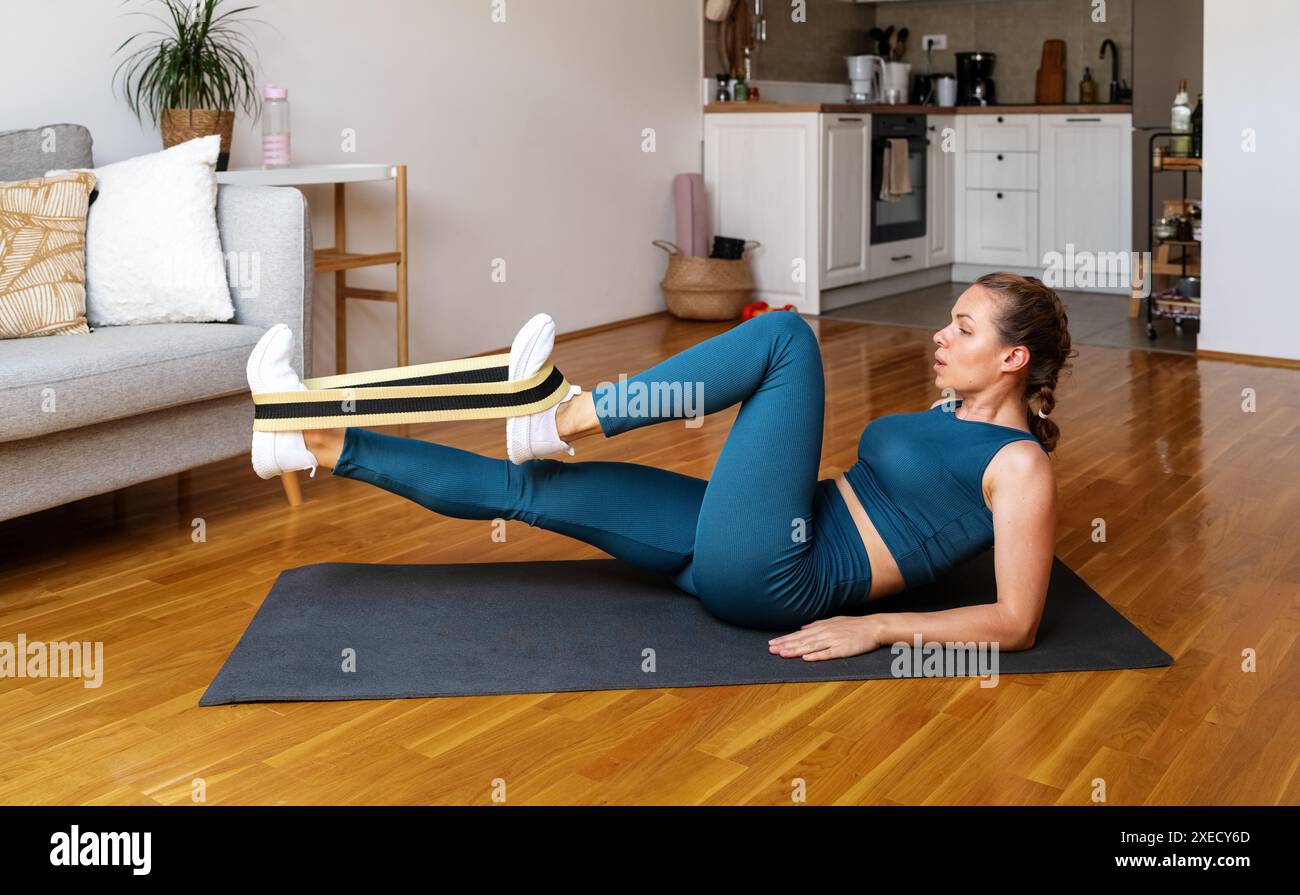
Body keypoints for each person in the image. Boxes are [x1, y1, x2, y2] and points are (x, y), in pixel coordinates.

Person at [246, 272, 1075, 662]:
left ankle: (563, 414)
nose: (939, 336)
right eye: (947, 321)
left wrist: (878, 626)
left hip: (784, 571)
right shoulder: (954, 413)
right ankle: (314, 444)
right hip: (744, 549)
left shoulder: (1020, 465)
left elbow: (1016, 622)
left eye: (961, 328)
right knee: (532, 489)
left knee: (786, 338)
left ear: (1013, 356)